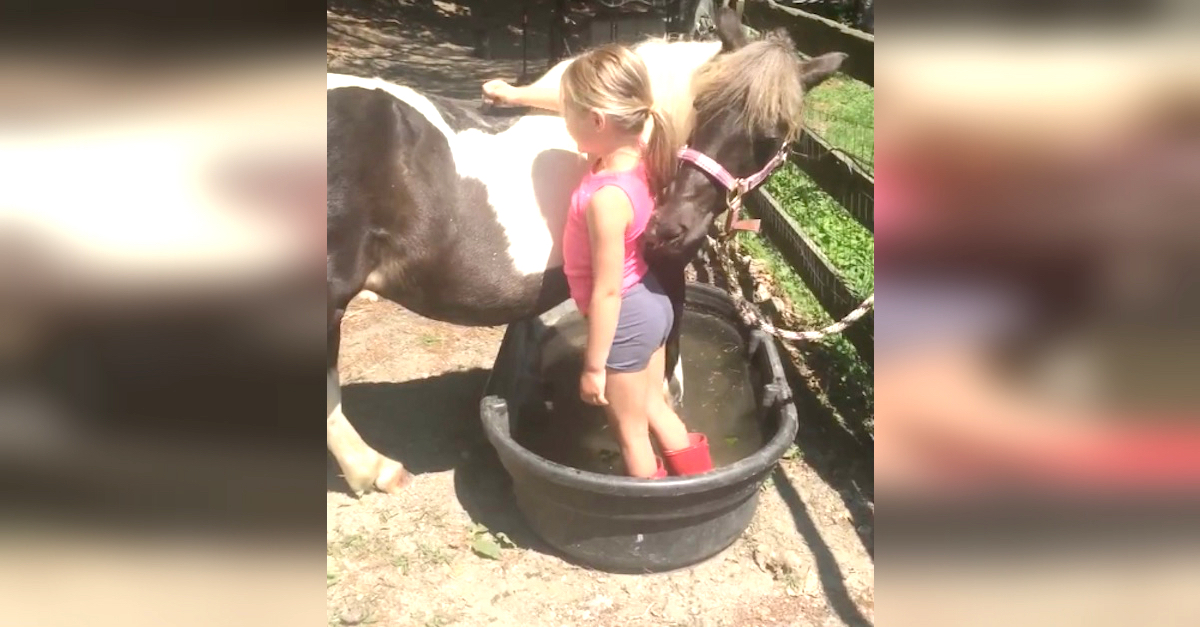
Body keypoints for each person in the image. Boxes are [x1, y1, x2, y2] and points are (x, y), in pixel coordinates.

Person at [484, 45, 712, 478]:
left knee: (630, 432)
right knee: (655, 406)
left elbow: (608, 291)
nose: (563, 122)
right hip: (654, 303)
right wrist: (517, 96)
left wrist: (593, 367)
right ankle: (701, 479)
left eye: (569, 115)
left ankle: (652, 517)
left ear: (596, 121)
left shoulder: (607, 199)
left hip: (625, 313)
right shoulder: (641, 151)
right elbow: (598, 111)